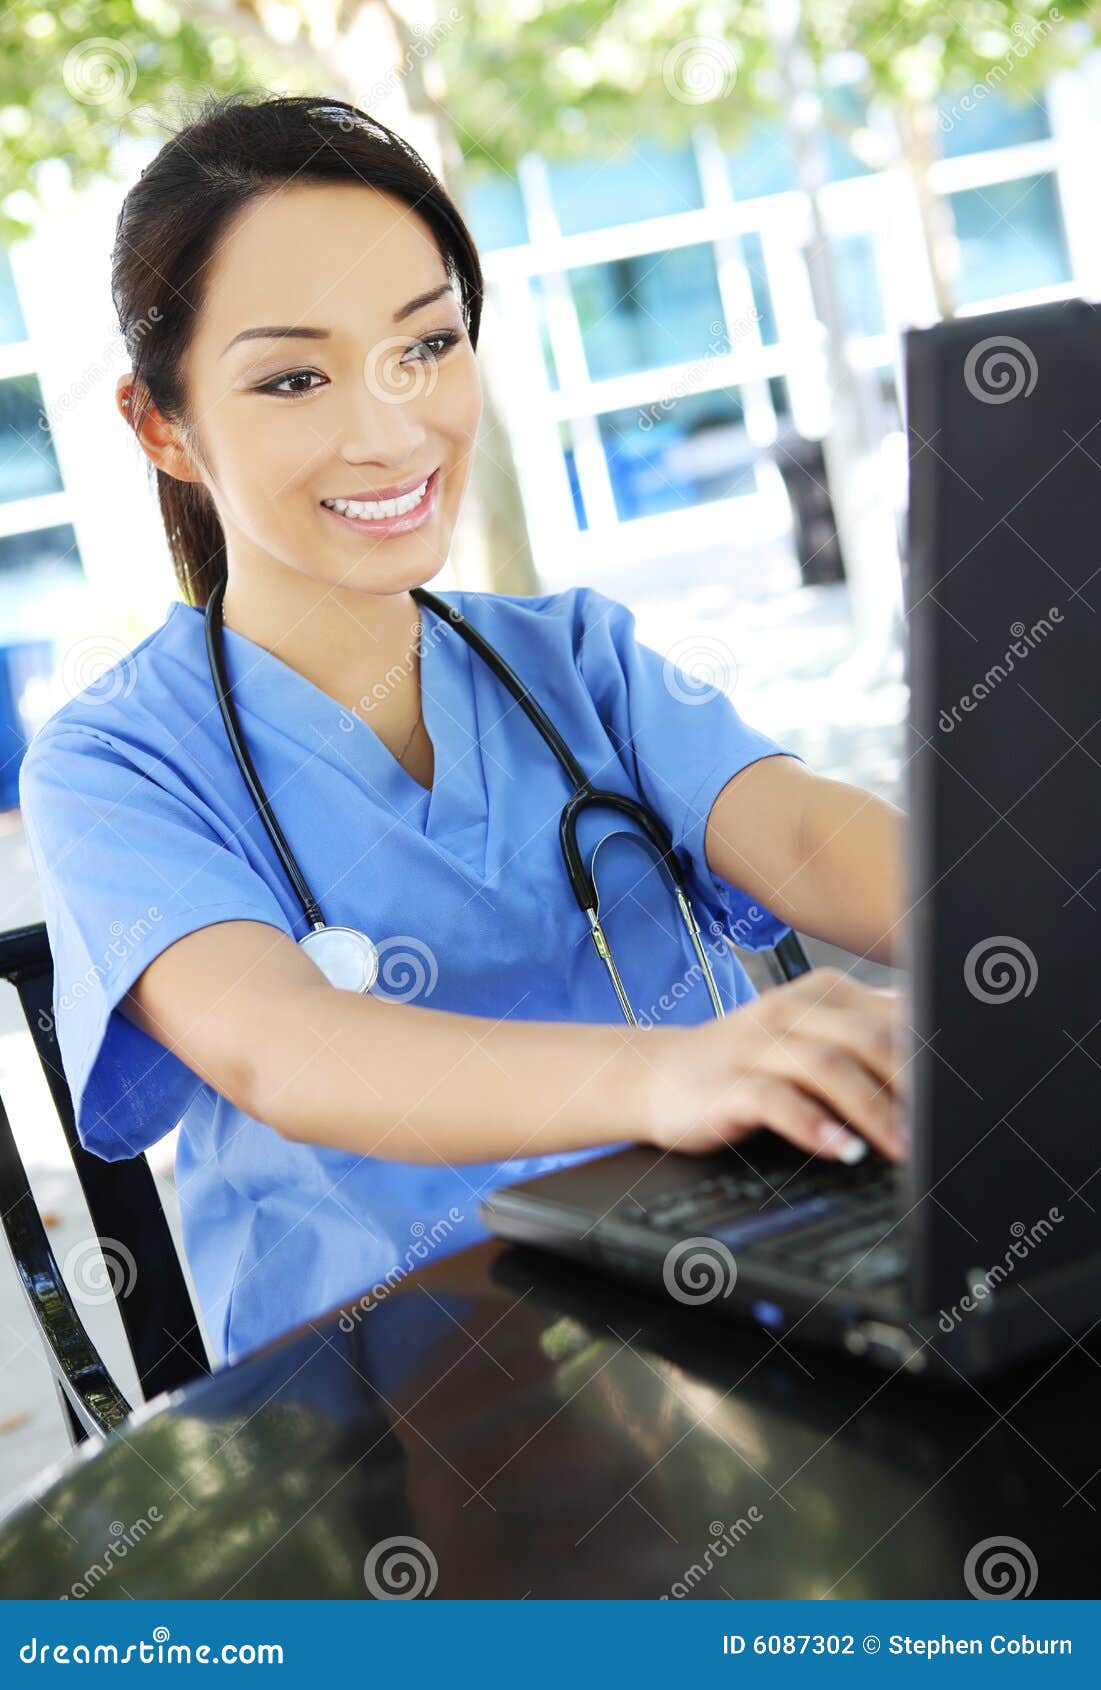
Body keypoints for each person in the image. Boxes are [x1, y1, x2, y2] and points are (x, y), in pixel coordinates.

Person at [18, 92, 908, 1369]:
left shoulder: (579, 660)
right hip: (386, 1402)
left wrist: (1022, 922)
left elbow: (813, 837)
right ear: (162, 426)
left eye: (426, 345)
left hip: (717, 1319)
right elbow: (284, 1047)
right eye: (294, 377)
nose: (390, 431)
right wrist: (677, 1073)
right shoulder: (114, 765)